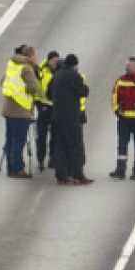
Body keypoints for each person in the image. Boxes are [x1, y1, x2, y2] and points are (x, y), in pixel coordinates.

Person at [0, 44, 42, 178]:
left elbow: (3, 82)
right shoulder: (27, 69)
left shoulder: (12, 64)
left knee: (10, 139)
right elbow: (35, 88)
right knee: (19, 140)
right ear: (30, 56)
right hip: (21, 110)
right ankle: (18, 168)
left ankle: (10, 167)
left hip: (8, 108)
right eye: (36, 55)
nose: (37, 57)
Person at [48, 54, 92, 185]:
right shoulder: (74, 76)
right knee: (75, 146)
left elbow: (48, 93)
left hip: (57, 116)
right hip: (71, 117)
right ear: (75, 65)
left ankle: (61, 176)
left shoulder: (57, 75)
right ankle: (78, 175)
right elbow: (84, 92)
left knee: (59, 146)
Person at [33, 50, 61, 168]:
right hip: (44, 108)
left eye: (57, 60)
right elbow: (35, 89)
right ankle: (40, 158)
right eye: (53, 60)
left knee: (55, 136)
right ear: (48, 60)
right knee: (41, 136)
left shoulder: (60, 71)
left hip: (55, 108)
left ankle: (53, 159)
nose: (55, 63)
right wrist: (38, 104)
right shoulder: (40, 71)